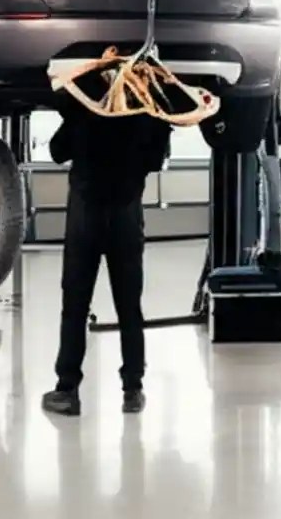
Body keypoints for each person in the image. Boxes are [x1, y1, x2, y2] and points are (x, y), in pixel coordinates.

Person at [41, 76, 172, 417]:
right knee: (130, 306)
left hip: (85, 214)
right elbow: (157, 160)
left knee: (75, 306)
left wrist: (74, 117)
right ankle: (133, 389)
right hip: (127, 214)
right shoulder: (148, 111)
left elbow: (56, 152)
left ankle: (67, 389)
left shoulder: (86, 106)